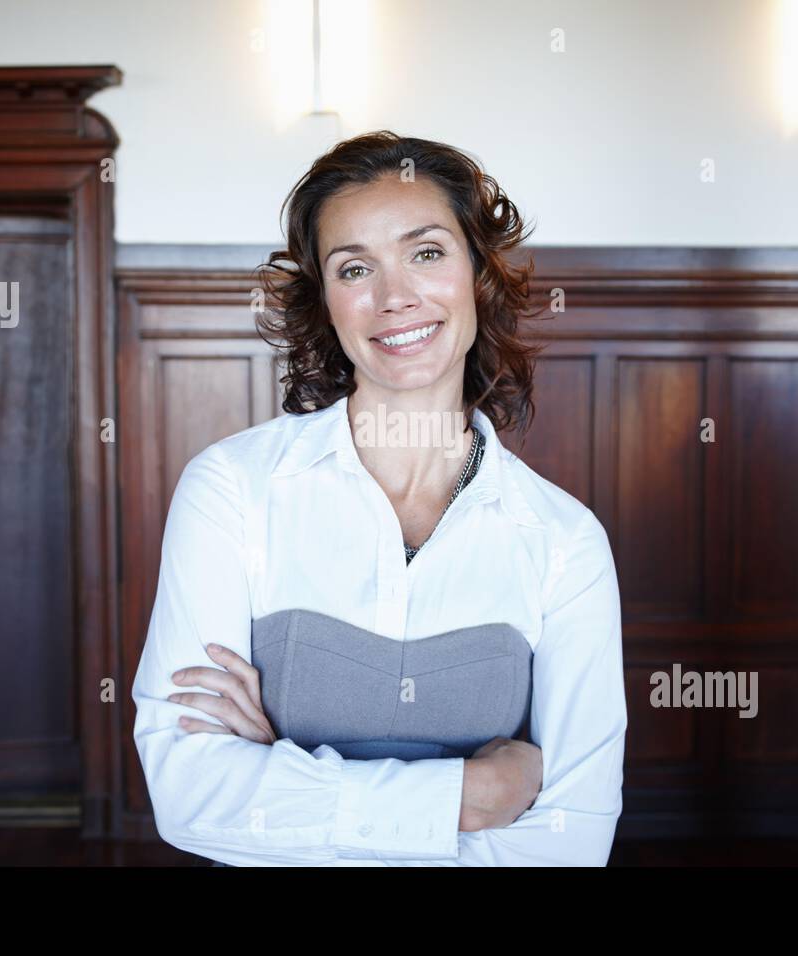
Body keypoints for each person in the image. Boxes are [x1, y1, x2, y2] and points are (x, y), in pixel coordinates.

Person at [131, 131, 626, 866]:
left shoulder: (564, 541)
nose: (395, 297)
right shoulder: (231, 490)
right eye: (355, 267)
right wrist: (471, 795)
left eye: (426, 253)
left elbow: (573, 838)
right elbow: (190, 795)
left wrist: (282, 776)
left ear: (477, 274)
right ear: (325, 301)